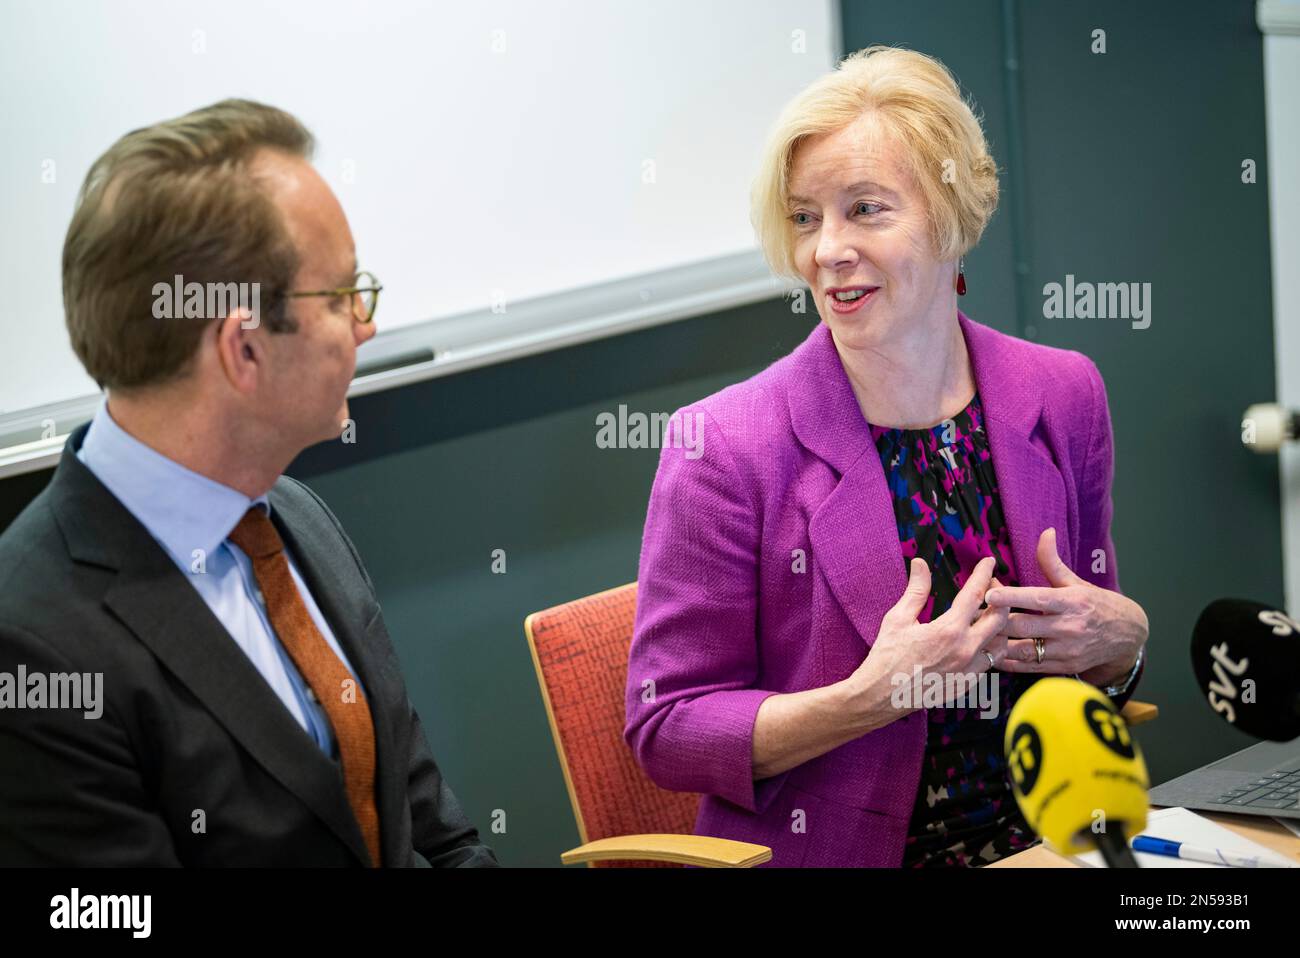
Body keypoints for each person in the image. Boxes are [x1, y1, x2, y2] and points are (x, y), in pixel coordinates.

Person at [624, 46, 1148, 868]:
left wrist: (1126, 643)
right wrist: (868, 698)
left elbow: (1086, 643)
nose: (827, 250)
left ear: (949, 215)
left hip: (1056, 844)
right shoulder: (723, 448)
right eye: (804, 217)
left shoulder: (1064, 393)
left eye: (865, 209)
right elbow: (667, 727)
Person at [0, 100, 498, 867]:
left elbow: (433, 833)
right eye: (340, 296)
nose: (364, 324)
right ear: (244, 349)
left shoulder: (294, 519)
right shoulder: (33, 650)